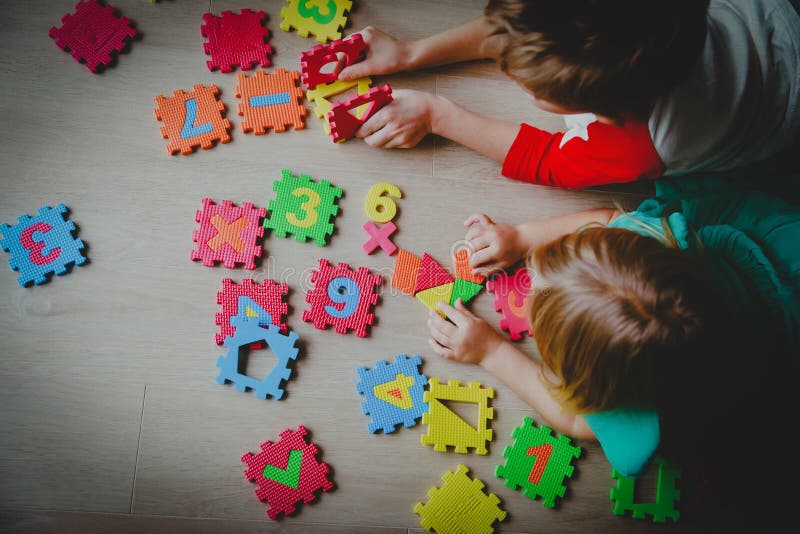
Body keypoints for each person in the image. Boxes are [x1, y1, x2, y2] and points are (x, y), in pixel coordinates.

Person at [425, 177, 800, 492]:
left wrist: (490, 352)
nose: (525, 288)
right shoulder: (648, 240)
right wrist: (524, 238)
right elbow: (607, 220)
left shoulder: (639, 417)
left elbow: (575, 422)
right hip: (773, 251)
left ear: (593, 386)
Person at [338, 0, 800, 189]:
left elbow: (550, 160)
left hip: (776, 116)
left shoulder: (639, 145)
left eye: (532, 88)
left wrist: (439, 114)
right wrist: (410, 53)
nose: (504, 63)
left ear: (601, 109)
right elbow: (523, 26)